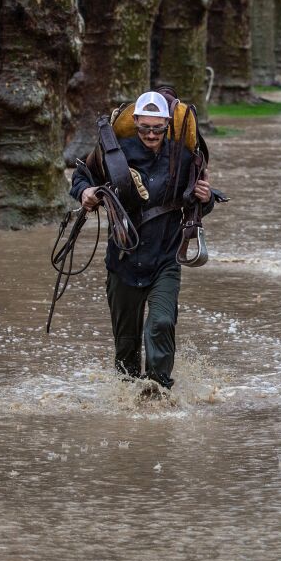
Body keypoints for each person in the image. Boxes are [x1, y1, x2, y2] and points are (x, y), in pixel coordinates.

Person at [70, 91, 214, 396]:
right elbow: (82, 176)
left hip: (166, 258)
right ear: (135, 122)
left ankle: (158, 391)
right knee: (126, 347)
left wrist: (208, 197)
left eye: (157, 128)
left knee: (161, 323)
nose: (151, 134)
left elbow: (199, 203)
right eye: (145, 127)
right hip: (123, 259)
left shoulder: (185, 157)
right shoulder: (114, 155)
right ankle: (126, 397)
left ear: (166, 125)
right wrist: (85, 192)